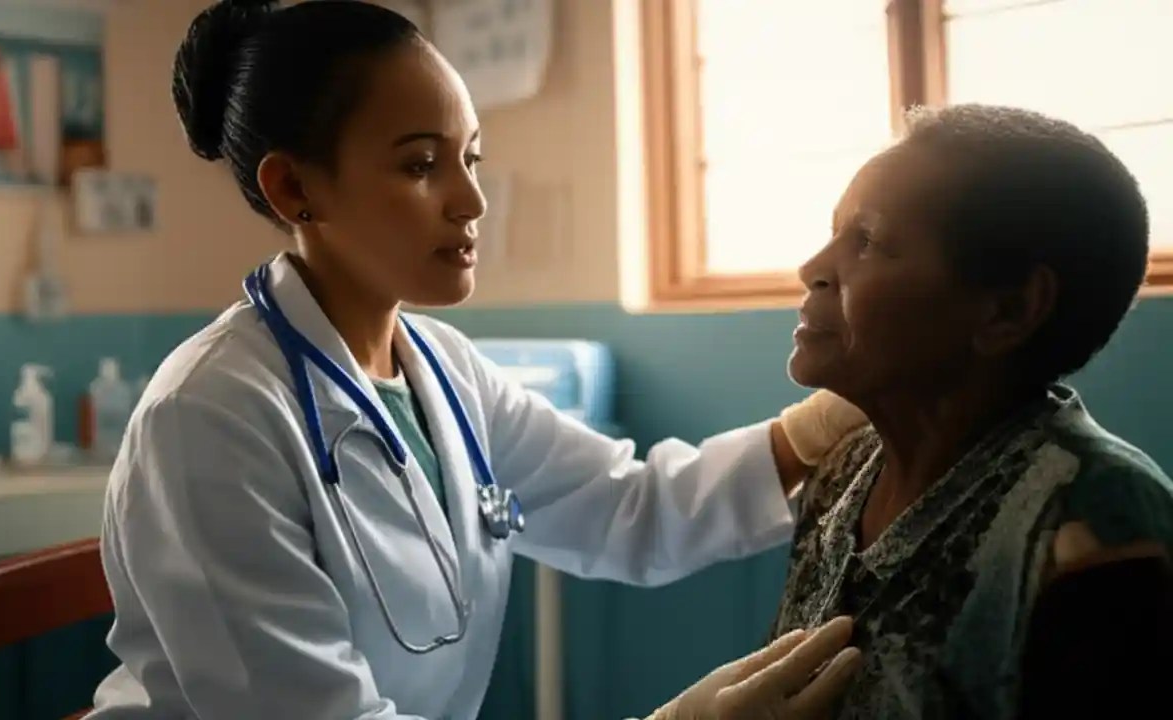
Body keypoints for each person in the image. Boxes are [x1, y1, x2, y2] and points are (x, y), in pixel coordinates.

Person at [86, 2, 867, 718]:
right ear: (293, 188)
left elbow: (628, 509)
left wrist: (812, 430)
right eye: (422, 164)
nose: (471, 201)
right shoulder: (209, 418)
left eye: (472, 158)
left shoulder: (445, 371)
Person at [767, 103, 1173, 719]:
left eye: (867, 242)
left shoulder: (1093, 522)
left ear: (1007, 312)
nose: (814, 269)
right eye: (834, 234)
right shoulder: (845, 470)